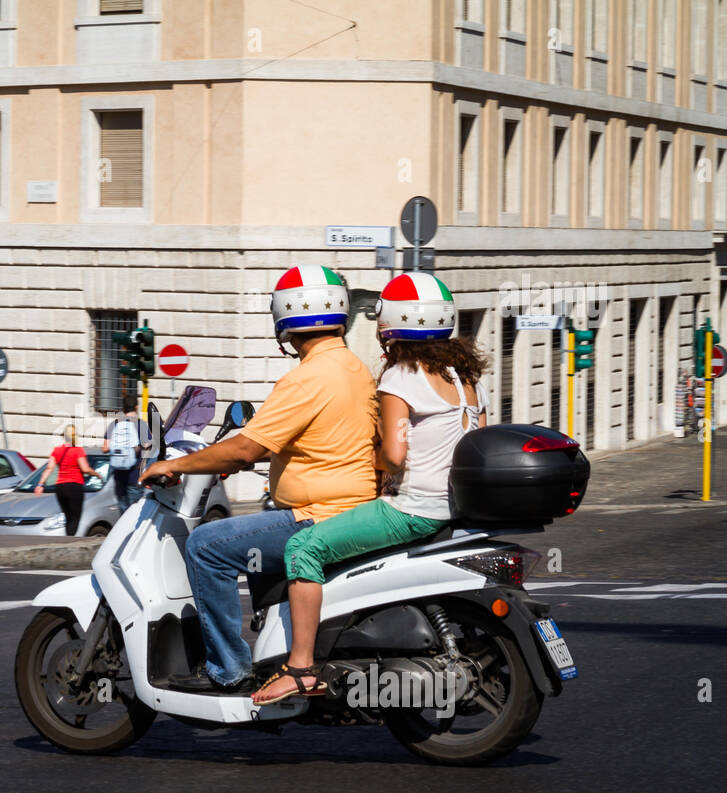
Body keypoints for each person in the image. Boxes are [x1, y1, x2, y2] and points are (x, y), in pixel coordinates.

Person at [251, 272, 489, 704]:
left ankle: (301, 667)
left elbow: (395, 456)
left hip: (411, 509)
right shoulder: (464, 378)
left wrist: (372, 453)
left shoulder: (401, 375)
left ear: (389, 324)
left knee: (303, 548)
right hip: (453, 508)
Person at [139, 265, 378, 693]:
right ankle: (273, 650)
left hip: (315, 514)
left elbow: (247, 445)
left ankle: (228, 670)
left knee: (207, 546)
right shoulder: (354, 368)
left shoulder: (307, 377)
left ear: (285, 320)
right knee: (247, 541)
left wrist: (174, 465)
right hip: (352, 508)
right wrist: (251, 457)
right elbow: (289, 440)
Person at [36, 425, 89, 536]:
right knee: (75, 518)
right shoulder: (78, 450)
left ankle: (68, 539)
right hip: (75, 486)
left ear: (63, 437)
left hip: (60, 488)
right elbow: (85, 468)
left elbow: (49, 468)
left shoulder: (57, 450)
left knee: (68, 517)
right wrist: (97, 474)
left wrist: (40, 484)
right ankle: (70, 541)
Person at [102, 402, 143, 513]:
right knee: (135, 515)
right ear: (136, 407)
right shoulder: (140, 424)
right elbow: (149, 446)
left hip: (119, 477)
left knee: (123, 514)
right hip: (135, 476)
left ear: (123, 409)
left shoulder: (114, 424)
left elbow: (105, 449)